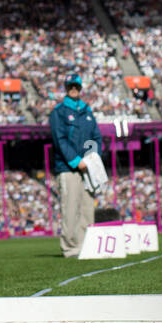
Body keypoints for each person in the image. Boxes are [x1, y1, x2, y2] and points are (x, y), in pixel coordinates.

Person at [48, 72, 102, 258]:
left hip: (88, 168)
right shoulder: (59, 112)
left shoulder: (87, 111)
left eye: (76, 86)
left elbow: (96, 136)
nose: (73, 89)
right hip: (68, 168)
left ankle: (87, 246)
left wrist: (92, 159)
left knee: (87, 208)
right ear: (66, 88)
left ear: (80, 88)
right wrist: (76, 161)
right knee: (70, 209)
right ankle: (71, 247)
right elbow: (59, 140)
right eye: (71, 86)